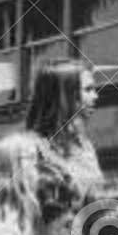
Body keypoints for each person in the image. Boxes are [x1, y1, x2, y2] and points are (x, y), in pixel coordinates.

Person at [25, 59, 103, 191]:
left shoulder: (84, 145)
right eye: (88, 89)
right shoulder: (33, 149)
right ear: (65, 95)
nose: (96, 96)